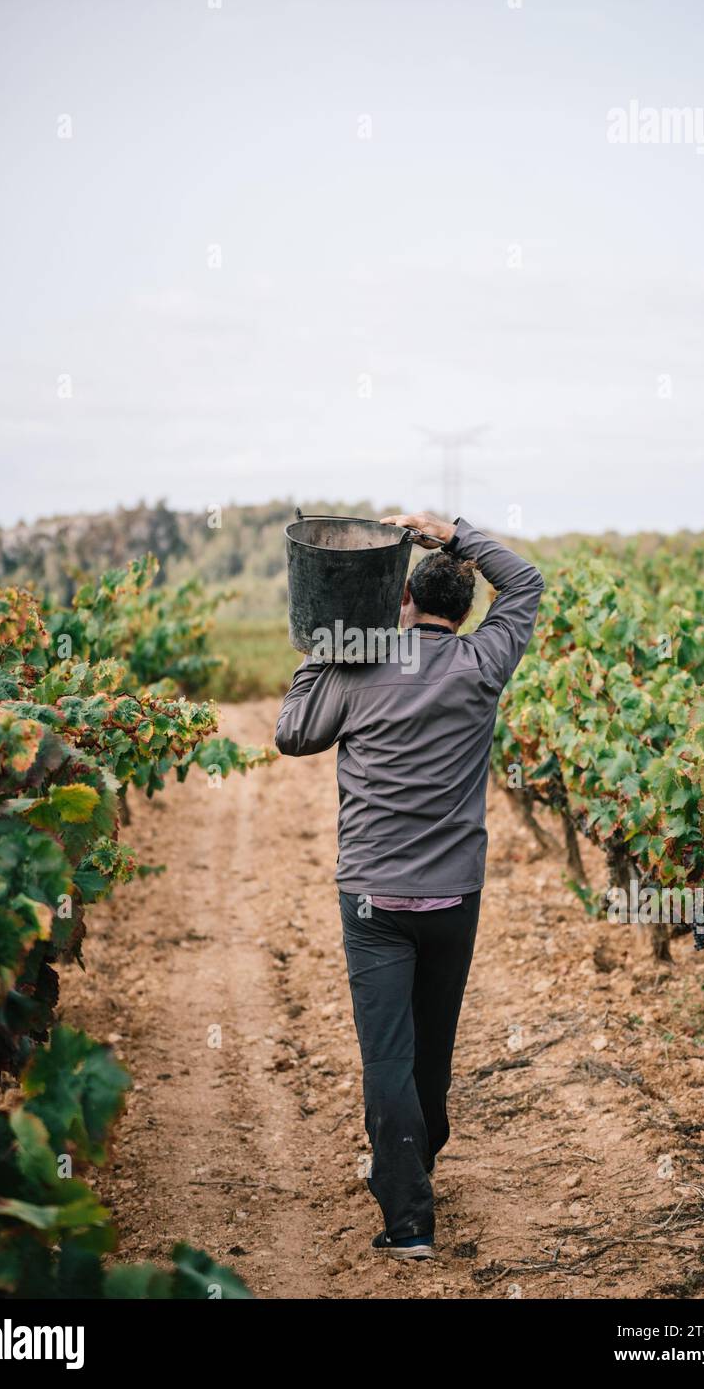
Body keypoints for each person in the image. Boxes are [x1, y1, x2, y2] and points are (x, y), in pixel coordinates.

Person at [274, 511, 544, 1260]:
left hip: (372, 900)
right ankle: (416, 1162)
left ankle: (409, 1222)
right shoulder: (485, 661)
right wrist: (451, 531)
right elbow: (525, 581)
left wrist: (319, 648)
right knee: (432, 1052)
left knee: (388, 1056)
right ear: (461, 612)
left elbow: (292, 733)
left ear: (403, 603)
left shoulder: (357, 668)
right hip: (455, 896)